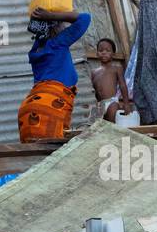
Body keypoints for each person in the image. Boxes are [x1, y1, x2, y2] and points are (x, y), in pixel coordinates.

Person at [19, 8, 90, 142]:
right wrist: (52, 15)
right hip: (51, 105)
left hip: (29, 107)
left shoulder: (35, 50)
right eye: (61, 23)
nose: (64, 26)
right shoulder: (57, 43)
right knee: (55, 154)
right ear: (55, 27)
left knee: (33, 154)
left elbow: (41, 34)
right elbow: (85, 18)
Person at [90, 38, 132, 122]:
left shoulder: (116, 68)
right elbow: (92, 90)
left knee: (112, 124)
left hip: (111, 102)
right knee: (96, 127)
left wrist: (126, 103)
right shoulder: (94, 72)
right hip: (98, 104)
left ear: (113, 54)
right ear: (97, 53)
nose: (104, 52)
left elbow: (122, 85)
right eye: (101, 50)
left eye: (107, 50)